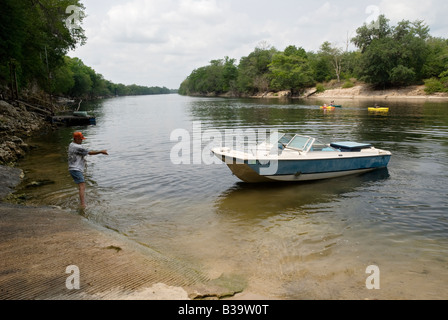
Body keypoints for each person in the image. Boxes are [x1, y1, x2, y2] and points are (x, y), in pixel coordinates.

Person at [68, 131, 108, 208]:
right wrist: (101, 151)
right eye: (80, 139)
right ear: (75, 139)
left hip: (73, 168)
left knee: (82, 185)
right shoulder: (77, 147)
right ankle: (83, 205)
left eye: (82, 139)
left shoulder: (71, 144)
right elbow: (89, 153)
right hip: (75, 169)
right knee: (82, 185)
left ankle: (82, 203)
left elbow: (79, 153)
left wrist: (82, 159)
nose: (82, 140)